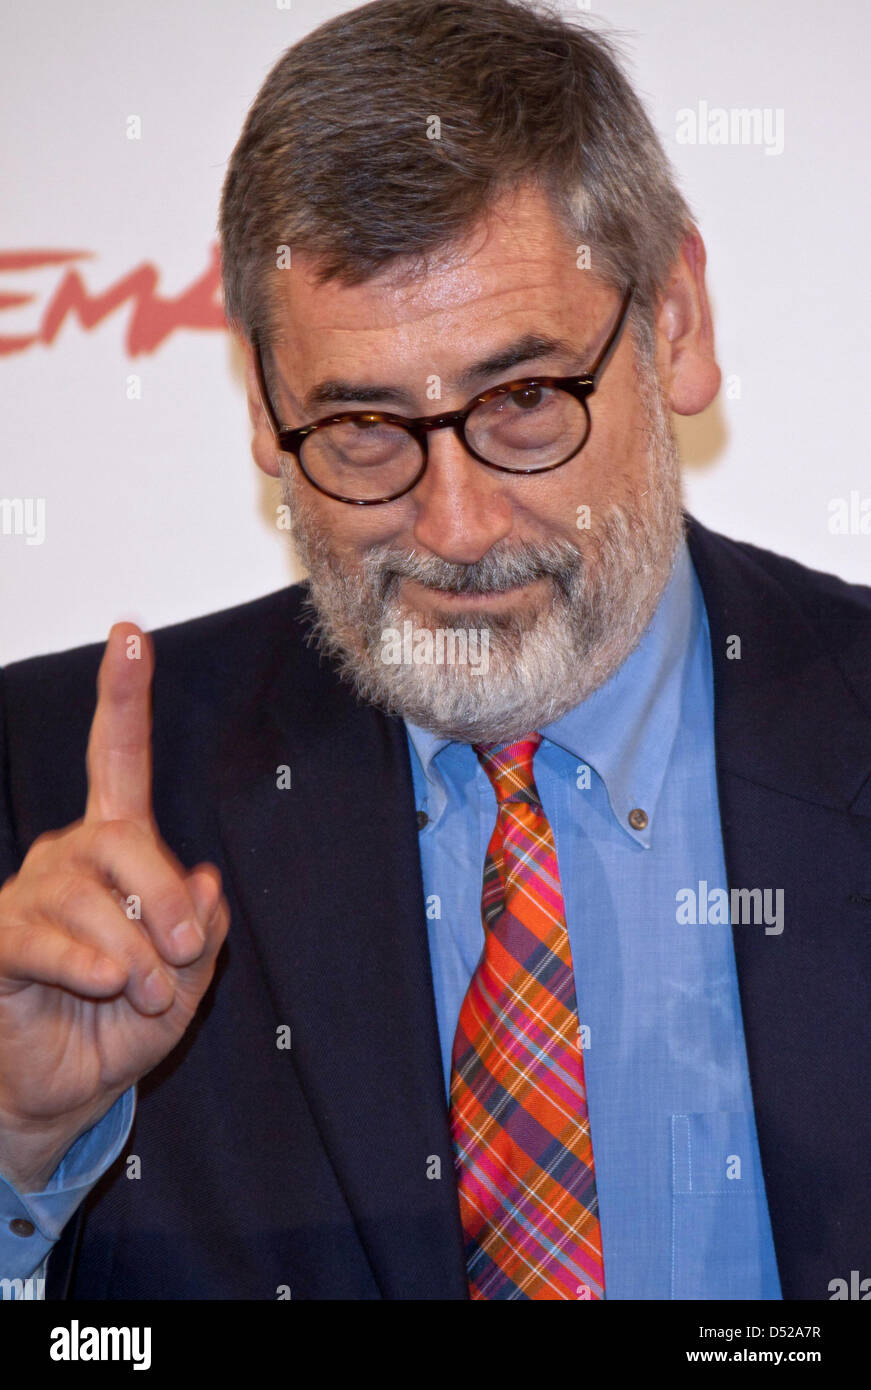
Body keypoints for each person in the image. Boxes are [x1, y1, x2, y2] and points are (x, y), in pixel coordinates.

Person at [1, 0, 869, 1302]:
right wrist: (17, 1149)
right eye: (360, 425)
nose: (455, 528)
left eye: (524, 399)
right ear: (263, 410)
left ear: (676, 324)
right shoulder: (42, 788)